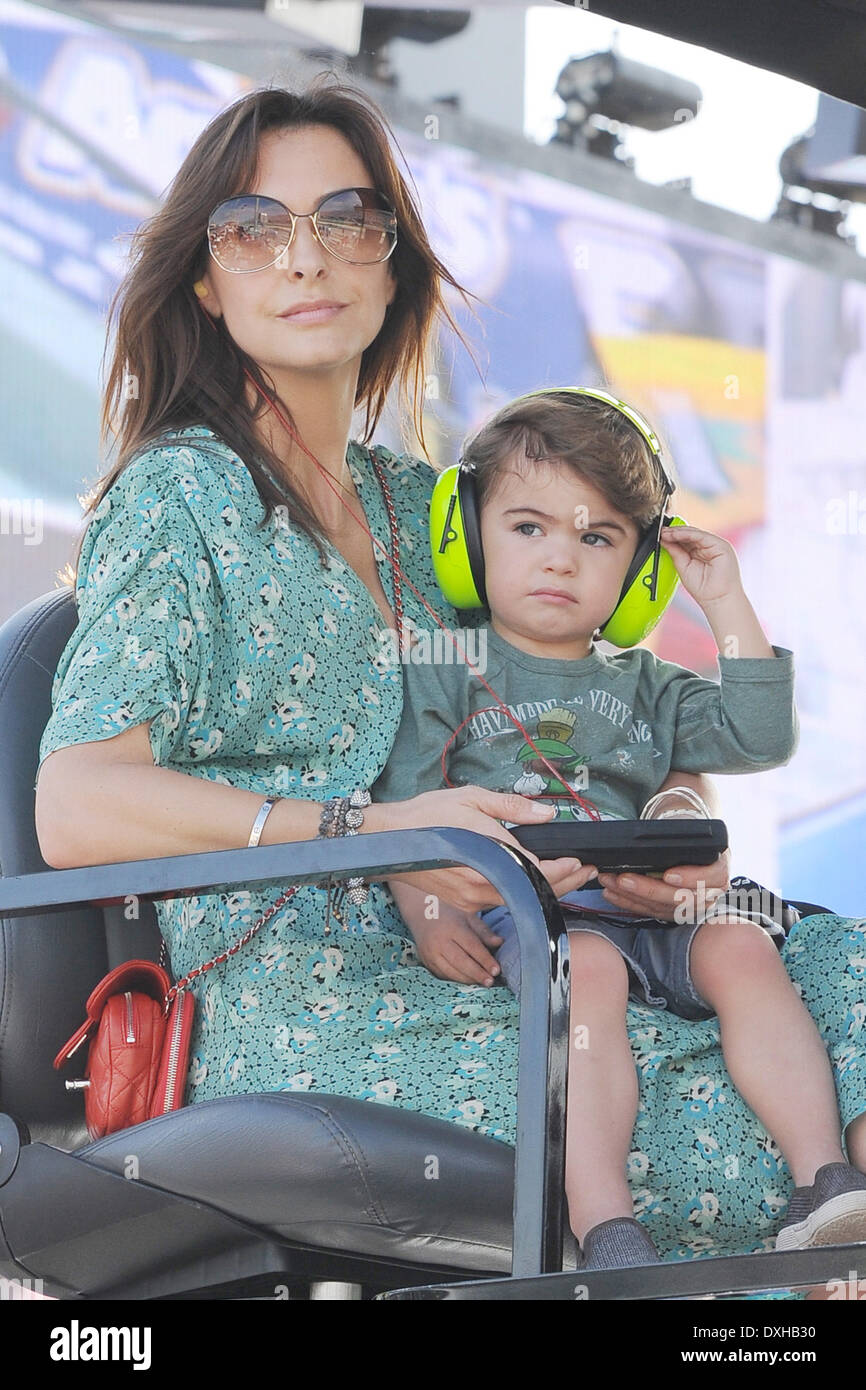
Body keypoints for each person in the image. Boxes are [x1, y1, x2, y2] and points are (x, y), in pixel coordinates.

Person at [33, 79, 866, 1275]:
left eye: (345, 220)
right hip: (308, 993)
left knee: (832, 964)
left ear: (390, 271)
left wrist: (659, 829)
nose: (304, 255)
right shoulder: (180, 496)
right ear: (206, 282)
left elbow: (574, 711)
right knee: (710, 1119)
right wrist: (375, 835)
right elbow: (76, 804)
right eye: (254, 226)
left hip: (507, 930)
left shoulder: (418, 510)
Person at [371, 387, 866, 1269]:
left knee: (745, 950)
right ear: (466, 536)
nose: (560, 560)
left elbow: (761, 734)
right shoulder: (446, 664)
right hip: (532, 913)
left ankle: (824, 1185)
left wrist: (724, 603)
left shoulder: (651, 681)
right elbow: (409, 801)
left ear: (640, 574)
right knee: (586, 968)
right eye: (528, 528)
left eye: (596, 537)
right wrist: (425, 903)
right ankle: (609, 1229)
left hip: (654, 908)